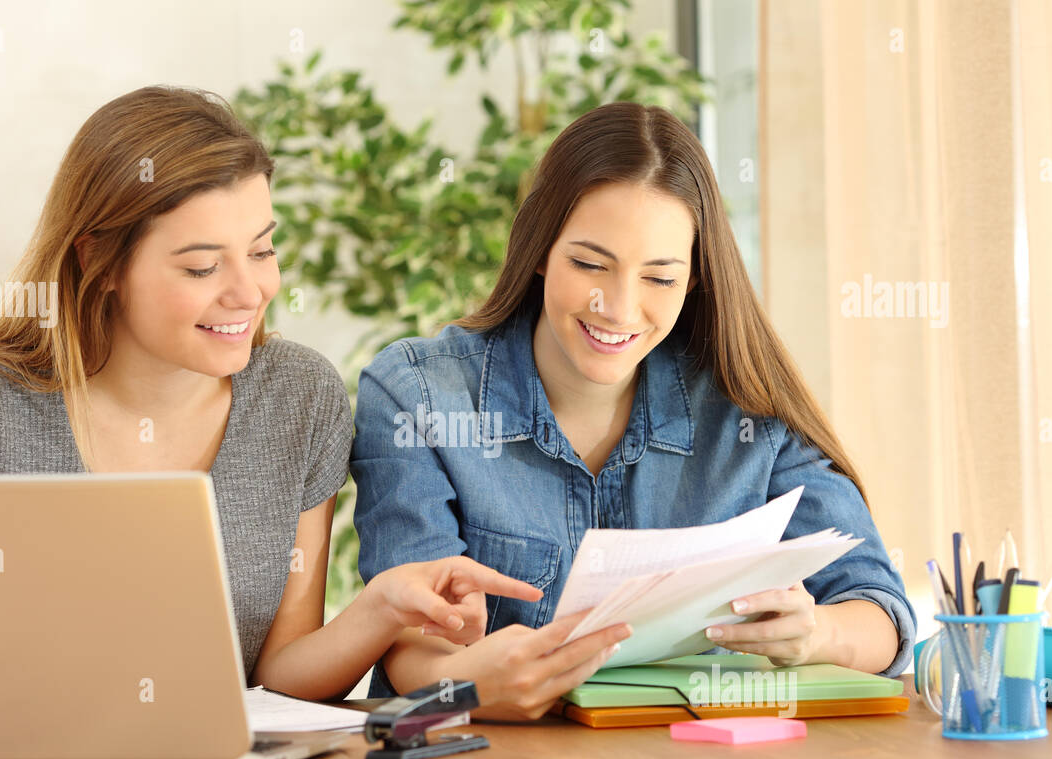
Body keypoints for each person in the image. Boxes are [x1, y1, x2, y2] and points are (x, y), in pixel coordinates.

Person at [0, 85, 583, 702]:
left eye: (262, 251)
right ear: (98, 262)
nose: (249, 291)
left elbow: (280, 672)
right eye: (202, 266)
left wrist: (381, 608)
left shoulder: (299, 396)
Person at [351, 101, 916, 720]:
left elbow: (879, 612)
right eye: (590, 264)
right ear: (541, 248)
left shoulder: (745, 405)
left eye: (660, 278)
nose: (618, 309)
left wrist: (817, 634)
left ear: (696, 278)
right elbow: (406, 647)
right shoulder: (420, 395)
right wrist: (472, 687)